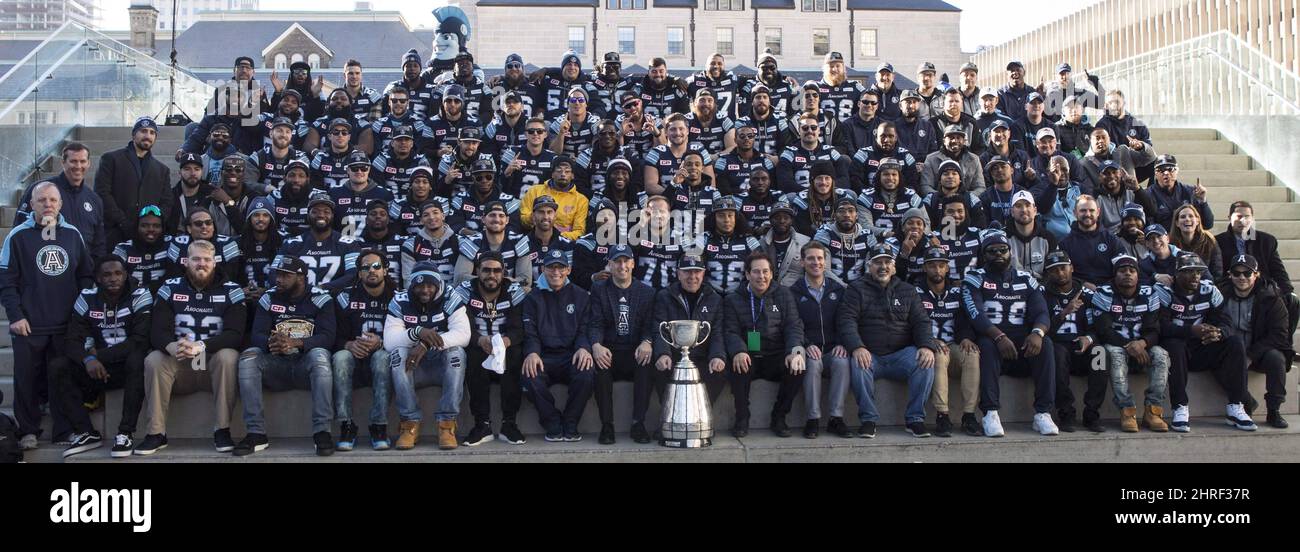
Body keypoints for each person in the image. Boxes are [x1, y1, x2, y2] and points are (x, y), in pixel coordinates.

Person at [0, 182, 96, 449]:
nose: (48, 204)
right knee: (25, 378)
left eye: (53, 200)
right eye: (41, 200)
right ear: (31, 204)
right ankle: (28, 430)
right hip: (29, 324)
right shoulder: (17, 236)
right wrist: (16, 316)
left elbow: (86, 275)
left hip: (65, 324)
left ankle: (63, 431)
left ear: (61, 204)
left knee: (60, 378)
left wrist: (81, 315)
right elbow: (6, 281)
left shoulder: (72, 233)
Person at [136, 239, 245, 456]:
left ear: (215, 263)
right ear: (186, 261)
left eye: (206, 259)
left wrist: (201, 346)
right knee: (154, 360)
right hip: (180, 363)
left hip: (211, 363)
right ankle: (156, 433)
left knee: (228, 357)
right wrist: (173, 345)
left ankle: (222, 429)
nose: (201, 264)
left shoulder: (232, 290)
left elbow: (235, 335)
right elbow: (157, 331)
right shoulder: (170, 287)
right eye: (196, 259)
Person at [961, 229, 1058, 437]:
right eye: (992, 251)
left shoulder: (1026, 279)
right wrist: (999, 336)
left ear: (1010, 252)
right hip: (993, 341)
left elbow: (1042, 311)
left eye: (1003, 250)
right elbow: (975, 314)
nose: (998, 255)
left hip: (1022, 343)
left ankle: (1043, 412)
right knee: (985, 345)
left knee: (1047, 344)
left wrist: (1038, 333)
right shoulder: (974, 278)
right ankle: (990, 412)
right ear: (983, 255)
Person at [236, 257, 337, 456]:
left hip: (305, 365)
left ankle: (322, 431)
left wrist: (295, 343)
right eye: (277, 274)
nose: (278, 279)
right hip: (276, 363)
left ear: (301, 277)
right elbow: (257, 334)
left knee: (320, 356)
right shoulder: (269, 297)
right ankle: (256, 433)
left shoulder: (321, 298)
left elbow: (328, 337)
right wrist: (272, 343)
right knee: (249, 357)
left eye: (285, 275)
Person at [51, 256, 151, 458]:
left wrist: (100, 356)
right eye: (106, 274)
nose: (113, 278)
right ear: (97, 278)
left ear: (126, 274)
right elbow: (72, 339)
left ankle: (125, 433)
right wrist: (88, 360)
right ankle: (86, 432)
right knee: (58, 365)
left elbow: (139, 340)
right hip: (96, 368)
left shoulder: (140, 294)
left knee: (138, 358)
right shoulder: (87, 297)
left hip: (126, 367)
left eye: (118, 273)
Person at [839, 243, 938, 438]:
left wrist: (926, 346)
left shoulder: (908, 290)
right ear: (869, 266)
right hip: (870, 354)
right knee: (857, 362)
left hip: (901, 354)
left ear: (894, 267)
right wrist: (857, 347)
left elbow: (921, 322)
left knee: (925, 362)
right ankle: (868, 420)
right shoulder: (855, 288)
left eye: (887, 262)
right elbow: (846, 321)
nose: (883, 266)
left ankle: (915, 419)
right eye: (877, 262)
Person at [1156, 253, 1254, 432]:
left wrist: (1219, 333)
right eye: (1189, 272)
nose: (1195, 276)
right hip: (1179, 349)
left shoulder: (1209, 290)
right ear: (1177, 273)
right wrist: (1191, 331)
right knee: (1174, 345)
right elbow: (1160, 327)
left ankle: (1235, 406)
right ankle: (1180, 406)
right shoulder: (1164, 291)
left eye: (1199, 272)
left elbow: (1227, 322)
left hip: (1203, 347)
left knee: (1234, 342)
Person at [384, 261, 471, 450]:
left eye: (430, 285)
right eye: (419, 286)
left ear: (438, 285)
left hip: (441, 364)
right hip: (413, 366)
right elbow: (389, 341)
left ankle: (447, 424)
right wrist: (416, 332)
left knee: (457, 353)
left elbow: (463, 335)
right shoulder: (400, 300)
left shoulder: (450, 296)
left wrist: (425, 343)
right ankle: (409, 423)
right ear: (411, 286)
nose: (425, 290)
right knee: (397, 354)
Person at [447, 251, 529, 446]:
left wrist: (504, 342)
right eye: (486, 270)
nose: (491, 275)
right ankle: (482, 424)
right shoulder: (465, 290)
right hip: (477, 344)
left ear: (504, 273)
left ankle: (509, 423)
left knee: (515, 354)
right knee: (473, 356)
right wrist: (481, 340)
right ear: (477, 271)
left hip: (505, 346)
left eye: (496, 271)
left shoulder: (514, 290)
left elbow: (519, 328)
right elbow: (461, 326)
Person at [723, 252, 806, 438]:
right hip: (749, 354)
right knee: (738, 367)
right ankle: (742, 418)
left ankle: (779, 416)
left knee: (798, 367)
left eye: (765, 272)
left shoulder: (784, 294)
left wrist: (794, 351)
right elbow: (730, 331)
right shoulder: (732, 299)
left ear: (771, 274)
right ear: (747, 275)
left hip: (776, 354)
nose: (761, 276)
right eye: (756, 272)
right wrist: (738, 351)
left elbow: (794, 325)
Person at [650, 256, 728, 442]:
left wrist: (717, 356)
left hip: (701, 355)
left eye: (697, 272)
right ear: (678, 273)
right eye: (687, 272)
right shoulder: (664, 296)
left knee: (720, 372)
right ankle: (670, 421)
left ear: (703, 274)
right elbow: (658, 328)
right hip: (674, 354)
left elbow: (717, 333)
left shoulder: (714, 299)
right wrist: (662, 354)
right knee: (660, 369)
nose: (692, 276)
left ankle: (698, 419)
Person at [586, 245, 658, 444]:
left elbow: (649, 324)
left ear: (633, 264)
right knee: (598, 367)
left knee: (646, 364)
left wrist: (647, 341)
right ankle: (607, 426)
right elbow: (595, 322)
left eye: (626, 261)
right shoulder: (599, 289)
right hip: (610, 349)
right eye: (617, 261)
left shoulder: (646, 292)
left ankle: (638, 424)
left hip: (634, 349)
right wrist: (596, 345)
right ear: (609, 265)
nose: (622, 265)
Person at [1091, 254, 1171, 433]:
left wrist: (1142, 343)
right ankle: (1127, 411)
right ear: (1114, 274)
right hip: (1117, 345)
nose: (1127, 273)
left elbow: (1154, 329)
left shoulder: (1149, 293)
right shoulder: (1103, 292)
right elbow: (1103, 330)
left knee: (1161, 355)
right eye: (1122, 270)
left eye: (1132, 270)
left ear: (1138, 274)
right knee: (1115, 354)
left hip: (1143, 346)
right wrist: (1130, 345)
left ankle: (1153, 411)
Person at [522, 249, 595, 442]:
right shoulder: (532, 298)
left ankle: (570, 423)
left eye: (561, 267)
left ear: (569, 269)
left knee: (586, 373)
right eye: (551, 267)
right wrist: (532, 353)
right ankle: (552, 422)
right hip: (544, 355)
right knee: (529, 375)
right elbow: (530, 332)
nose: (556, 272)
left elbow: (584, 328)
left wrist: (583, 348)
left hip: (571, 354)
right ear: (542, 269)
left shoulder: (581, 296)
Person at [332, 249, 397, 451]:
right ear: (359, 273)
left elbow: (406, 334)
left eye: (377, 266)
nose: (371, 271)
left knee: (382, 357)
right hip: (354, 355)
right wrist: (348, 345)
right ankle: (346, 424)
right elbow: (331, 335)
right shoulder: (344, 297)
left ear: (385, 270)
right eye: (365, 267)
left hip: (382, 355)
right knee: (341, 357)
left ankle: (379, 425)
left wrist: (382, 342)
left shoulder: (398, 297)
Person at [1040, 250, 1109, 433]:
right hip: (1058, 345)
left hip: (1083, 347)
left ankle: (1092, 413)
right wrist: (1064, 313)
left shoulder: (1087, 294)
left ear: (1072, 268)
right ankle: (1066, 413)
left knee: (1100, 353)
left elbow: (1101, 326)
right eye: (1054, 270)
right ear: (1048, 273)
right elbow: (1041, 328)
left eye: (1063, 268)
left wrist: (1090, 338)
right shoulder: (1042, 294)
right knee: (1056, 354)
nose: (1060, 273)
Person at [1220, 255, 1292, 428]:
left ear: (1256, 274)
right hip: (1230, 349)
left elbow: (1279, 334)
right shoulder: (1220, 295)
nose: (1242, 277)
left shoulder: (1271, 297)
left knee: (1276, 359)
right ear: (1230, 275)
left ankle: (1274, 410)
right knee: (1214, 360)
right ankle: (1246, 401)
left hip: (1259, 349)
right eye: (1237, 273)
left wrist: (1251, 355)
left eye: (1247, 273)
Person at [917, 246, 982, 437]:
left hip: (954, 343)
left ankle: (969, 415)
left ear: (947, 268)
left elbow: (966, 319)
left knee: (972, 354)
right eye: (932, 266)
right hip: (930, 346)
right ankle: (942, 415)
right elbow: (910, 323)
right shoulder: (915, 292)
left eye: (941, 266)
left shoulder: (958, 292)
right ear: (924, 268)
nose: (937, 270)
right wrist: (929, 340)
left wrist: (967, 338)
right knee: (938, 355)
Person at [790, 242, 851, 439]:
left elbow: (846, 320)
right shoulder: (793, 291)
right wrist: (806, 344)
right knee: (813, 364)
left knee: (842, 362)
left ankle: (836, 418)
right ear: (802, 262)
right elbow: (793, 324)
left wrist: (843, 342)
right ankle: (813, 419)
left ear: (825, 262)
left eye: (819, 258)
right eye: (811, 258)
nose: (815, 262)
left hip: (834, 348)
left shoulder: (838, 289)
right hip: (810, 348)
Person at [1216, 200, 1298, 339]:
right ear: (1229, 217)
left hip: (1261, 284)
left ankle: (1284, 344)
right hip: (1233, 284)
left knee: (1292, 300)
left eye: (1247, 216)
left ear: (1252, 218)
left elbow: (1278, 270)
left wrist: (1287, 290)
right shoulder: (1218, 241)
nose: (1243, 220)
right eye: (1238, 216)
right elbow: (1218, 270)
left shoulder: (1266, 240)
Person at [14, 143, 106, 259]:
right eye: (73, 161)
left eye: (82, 161)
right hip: (48, 266)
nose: (78, 166)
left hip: (83, 271)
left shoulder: (94, 199)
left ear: (88, 164)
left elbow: (99, 243)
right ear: (63, 163)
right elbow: (19, 229)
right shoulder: (39, 190)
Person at [96, 117, 175, 246]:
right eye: (143, 131)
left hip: (148, 236)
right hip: (115, 232)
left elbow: (167, 201)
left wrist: (154, 224)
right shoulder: (111, 159)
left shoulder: (162, 169)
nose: (147, 136)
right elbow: (102, 192)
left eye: (152, 132)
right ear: (134, 134)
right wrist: (122, 221)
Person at [276, 194, 362, 292]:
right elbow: (274, 273)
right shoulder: (291, 243)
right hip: (298, 301)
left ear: (333, 215)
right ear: (308, 214)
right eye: (315, 211)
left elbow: (353, 275)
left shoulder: (349, 244)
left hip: (335, 299)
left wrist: (322, 288)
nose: (321, 215)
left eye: (326, 212)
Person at [1058, 195, 1124, 287]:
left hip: (1110, 290)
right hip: (1078, 291)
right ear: (1075, 213)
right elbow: (1062, 274)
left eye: (1091, 210)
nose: (1087, 214)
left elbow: (1122, 268)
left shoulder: (1111, 239)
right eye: (1083, 211)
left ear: (1098, 212)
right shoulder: (1065, 243)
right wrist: (1082, 284)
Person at [520, 155, 588, 240]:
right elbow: (523, 219)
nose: (563, 174)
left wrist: (555, 236)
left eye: (567, 171)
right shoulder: (534, 191)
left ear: (572, 175)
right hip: (535, 239)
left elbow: (579, 232)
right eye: (559, 170)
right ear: (552, 174)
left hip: (564, 243)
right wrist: (535, 217)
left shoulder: (581, 200)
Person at [401, 198, 460, 286]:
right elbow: (409, 281)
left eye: (435, 212)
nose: (431, 217)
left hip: (454, 295)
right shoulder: (411, 245)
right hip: (424, 295)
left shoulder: (460, 241)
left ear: (443, 216)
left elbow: (462, 278)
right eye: (426, 215)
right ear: (421, 220)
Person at [114, 205, 172, 292]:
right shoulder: (123, 248)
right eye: (145, 225)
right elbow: (115, 274)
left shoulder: (172, 244)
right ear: (136, 227)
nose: (151, 229)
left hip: (163, 295)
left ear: (163, 228)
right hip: (132, 295)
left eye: (156, 226)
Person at [1147, 155, 1212, 230]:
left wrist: (1202, 201)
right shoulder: (1148, 195)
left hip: (1188, 237)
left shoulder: (1190, 192)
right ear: (1155, 173)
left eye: (1170, 169)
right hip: (1163, 239)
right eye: (1161, 169)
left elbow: (1208, 224)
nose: (1166, 173)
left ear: (1177, 171)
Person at [920, 124, 986, 196]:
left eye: (958, 138)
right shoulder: (931, 159)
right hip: (939, 202)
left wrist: (965, 198)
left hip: (966, 202)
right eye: (951, 138)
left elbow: (980, 187)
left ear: (964, 141)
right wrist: (942, 198)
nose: (955, 140)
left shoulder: (974, 159)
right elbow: (925, 187)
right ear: (944, 141)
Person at [1006, 190, 1057, 280]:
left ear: (1035, 210)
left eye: (1027, 205)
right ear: (1012, 212)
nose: (1024, 210)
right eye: (1018, 206)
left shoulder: (1048, 238)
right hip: (1011, 288)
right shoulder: (1003, 238)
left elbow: (1053, 271)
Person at [1169, 203, 1224, 281]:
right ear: (1177, 223)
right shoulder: (1169, 243)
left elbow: (1217, 271)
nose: (1187, 219)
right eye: (1182, 217)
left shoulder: (1209, 240)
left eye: (1191, 216)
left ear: (1197, 220)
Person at [760, 199, 809, 288]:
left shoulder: (805, 242)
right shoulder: (761, 244)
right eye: (777, 217)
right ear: (770, 220)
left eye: (786, 217)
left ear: (792, 220)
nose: (782, 221)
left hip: (797, 293)